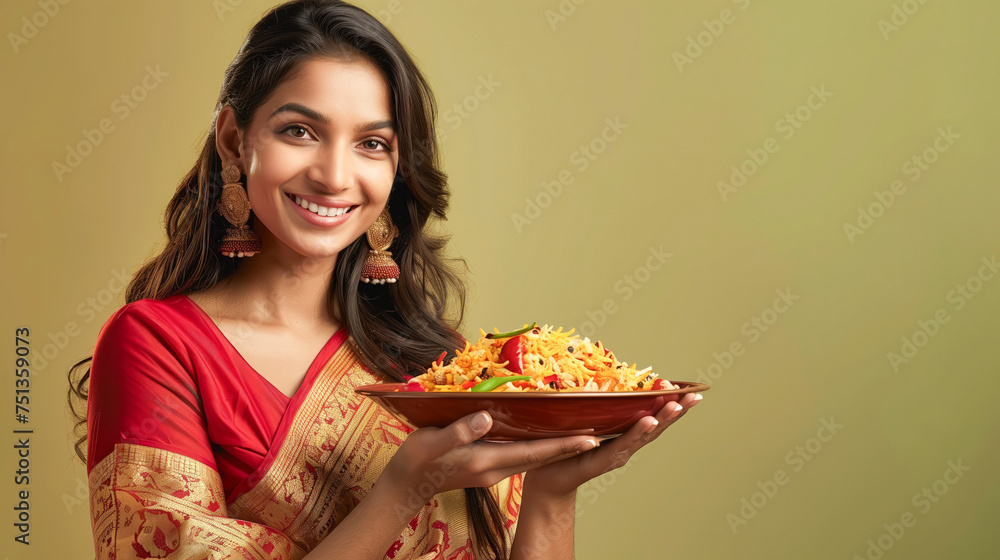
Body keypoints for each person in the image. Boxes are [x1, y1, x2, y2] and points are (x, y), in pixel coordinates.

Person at [67, 1, 703, 558]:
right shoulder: (159, 345)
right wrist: (405, 488)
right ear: (235, 139)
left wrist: (554, 487)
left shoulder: (437, 367)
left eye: (372, 144)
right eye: (300, 131)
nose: (335, 176)